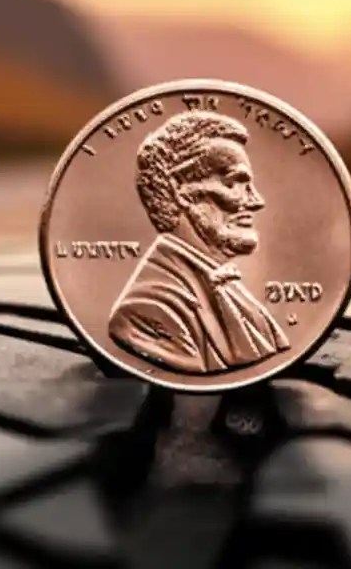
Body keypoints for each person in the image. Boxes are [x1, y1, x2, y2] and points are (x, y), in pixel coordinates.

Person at [108, 111, 289, 374]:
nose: (256, 200)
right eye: (233, 183)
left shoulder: (229, 287)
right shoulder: (142, 311)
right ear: (179, 188)